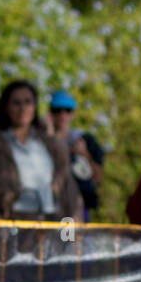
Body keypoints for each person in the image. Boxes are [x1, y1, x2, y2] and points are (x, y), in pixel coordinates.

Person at [0, 80, 83, 221]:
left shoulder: (53, 145)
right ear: (6, 107)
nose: (23, 108)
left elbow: (70, 195)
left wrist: (71, 237)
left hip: (50, 225)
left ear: (34, 106)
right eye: (16, 103)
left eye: (28, 102)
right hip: (8, 227)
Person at [45, 89, 105, 218]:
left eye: (67, 110)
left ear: (73, 113)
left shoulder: (86, 141)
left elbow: (98, 178)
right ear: (50, 113)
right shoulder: (40, 141)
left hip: (78, 209)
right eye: (57, 110)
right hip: (49, 208)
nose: (63, 115)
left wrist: (85, 154)